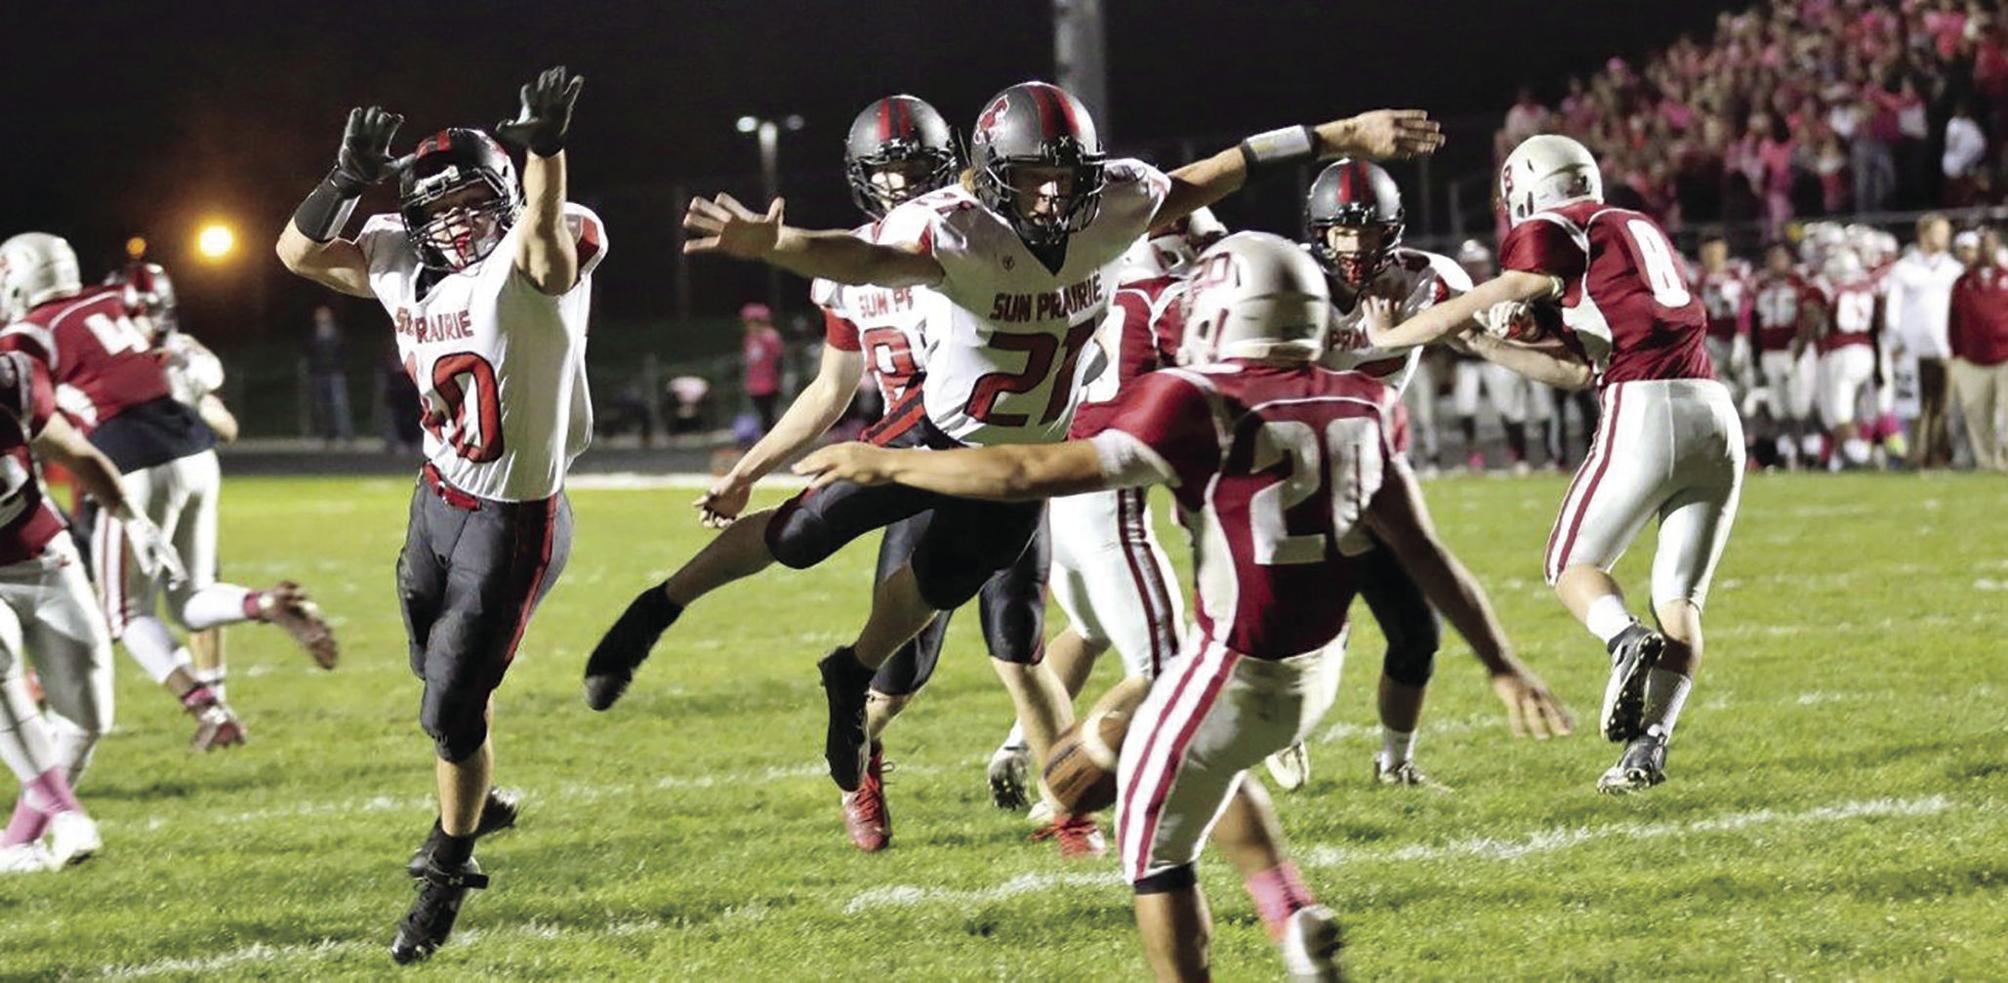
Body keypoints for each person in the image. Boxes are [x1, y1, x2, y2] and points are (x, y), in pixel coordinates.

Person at [587, 80, 1442, 818]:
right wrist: (778, 246)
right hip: (937, 430)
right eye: (1030, 179)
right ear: (995, 176)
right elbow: (862, 257)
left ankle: (850, 673)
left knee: (934, 590)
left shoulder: (1112, 205)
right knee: (803, 534)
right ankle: (653, 608)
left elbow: (1218, 170)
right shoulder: (954, 228)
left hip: (1022, 462)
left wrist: (1334, 136)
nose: (1048, 197)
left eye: (1064, 178)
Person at [794, 232, 1563, 980]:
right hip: (1315, 670)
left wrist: (888, 461)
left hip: (1232, 665)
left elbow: (1027, 468)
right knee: (1186, 757)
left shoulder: (1197, 398)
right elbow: (1426, 553)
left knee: (1138, 839)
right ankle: (1293, 917)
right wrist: (1501, 665)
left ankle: (1263, 911)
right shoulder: (1365, 402)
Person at [275, 66, 603, 962]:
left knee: (452, 707)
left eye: (474, 201)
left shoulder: (533, 262)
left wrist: (546, 151)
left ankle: (448, 870)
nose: (459, 221)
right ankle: (478, 794)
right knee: (440, 689)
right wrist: (342, 182)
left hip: (512, 519)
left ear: (504, 197)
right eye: (442, 208)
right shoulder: (397, 259)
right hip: (436, 503)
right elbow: (297, 255)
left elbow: (544, 242)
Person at [680, 94, 1067, 853]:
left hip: (1010, 461)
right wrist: (753, 470)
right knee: (896, 676)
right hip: (916, 467)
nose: (904, 192)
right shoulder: (849, 260)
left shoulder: (986, 241)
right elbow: (830, 386)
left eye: (917, 174)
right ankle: (863, 755)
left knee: (1021, 645)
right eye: (887, 179)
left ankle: (1069, 806)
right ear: (863, 183)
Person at [1366, 134, 1743, 794]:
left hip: (1645, 405)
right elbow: (1573, 369)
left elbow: (1506, 286)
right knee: (1679, 598)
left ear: (1529, 190)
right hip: (1715, 413)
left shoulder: (1553, 226)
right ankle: (1646, 750)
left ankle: (1624, 640)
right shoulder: (1632, 226)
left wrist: (1394, 336)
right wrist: (1481, 340)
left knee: (1569, 566)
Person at [1275, 159, 1569, 793]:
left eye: (1368, 231)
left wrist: (1520, 329)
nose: (1354, 246)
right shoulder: (1289, 282)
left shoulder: (1425, 280)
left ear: (1394, 230)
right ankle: (1281, 729)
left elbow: (1479, 332)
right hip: (1290, 481)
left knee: (1416, 633)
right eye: (1340, 232)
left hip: (1373, 469)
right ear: (1317, 233)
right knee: (1297, 636)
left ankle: (1394, 764)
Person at [0, 234, 336, 750]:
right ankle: (265, 603)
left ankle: (209, 710)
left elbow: (28, 409)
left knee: (126, 613)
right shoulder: (108, 302)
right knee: (191, 596)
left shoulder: (28, 333)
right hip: (192, 448)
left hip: (127, 458)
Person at [0, 350, 183, 874]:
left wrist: (134, 520)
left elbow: (77, 454)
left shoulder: (12, 381)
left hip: (43, 558)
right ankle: (66, 813)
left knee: (87, 716)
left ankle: (17, 843)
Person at [1884, 215, 1966, 468]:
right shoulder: (1904, 268)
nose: (1945, 237)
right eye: (1940, 232)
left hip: (1945, 347)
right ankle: (1915, 456)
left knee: (1942, 407)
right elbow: (1892, 307)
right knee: (1913, 407)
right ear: (1923, 234)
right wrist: (1894, 340)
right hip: (1911, 349)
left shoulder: (1954, 269)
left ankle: (1936, 456)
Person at [1748, 241, 1823, 468]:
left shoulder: (1802, 283)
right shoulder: (1760, 285)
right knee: (1779, 408)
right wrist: (1756, 356)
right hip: (1771, 352)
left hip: (1795, 353)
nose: (1775, 263)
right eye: (1771, 258)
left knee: (1801, 407)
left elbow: (1812, 318)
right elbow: (1754, 323)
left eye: (1779, 257)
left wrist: (1798, 351)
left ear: (1790, 260)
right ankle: (1785, 453)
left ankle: (1807, 455)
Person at [1812, 246, 1883, 469]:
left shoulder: (1830, 289)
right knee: (1854, 410)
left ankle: (1860, 458)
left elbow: (1815, 320)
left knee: (1839, 412)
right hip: (1866, 351)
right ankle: (1839, 457)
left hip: (1841, 352)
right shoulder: (1868, 287)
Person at [1948, 228, 2008, 470]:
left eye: (1990, 245)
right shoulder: (1963, 283)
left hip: (2005, 355)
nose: (1985, 250)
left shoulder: (2006, 277)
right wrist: (1956, 355)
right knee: (1977, 416)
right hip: (1972, 359)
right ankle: (1987, 463)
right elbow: (1953, 320)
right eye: (1981, 245)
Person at [305, 305, 353, 444]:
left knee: (340, 406)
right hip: (318, 373)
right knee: (321, 407)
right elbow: (308, 351)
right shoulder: (313, 334)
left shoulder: (337, 333)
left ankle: (344, 436)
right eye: (320, 316)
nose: (322, 318)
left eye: (325, 315)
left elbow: (343, 350)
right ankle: (326, 436)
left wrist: (341, 366)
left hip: (335, 373)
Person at [739, 302, 785, 433]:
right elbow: (749, 362)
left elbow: (779, 360)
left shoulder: (771, 337)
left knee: (769, 415)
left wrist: (778, 380)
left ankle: (774, 441)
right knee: (761, 415)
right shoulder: (749, 338)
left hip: (770, 383)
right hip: (754, 385)